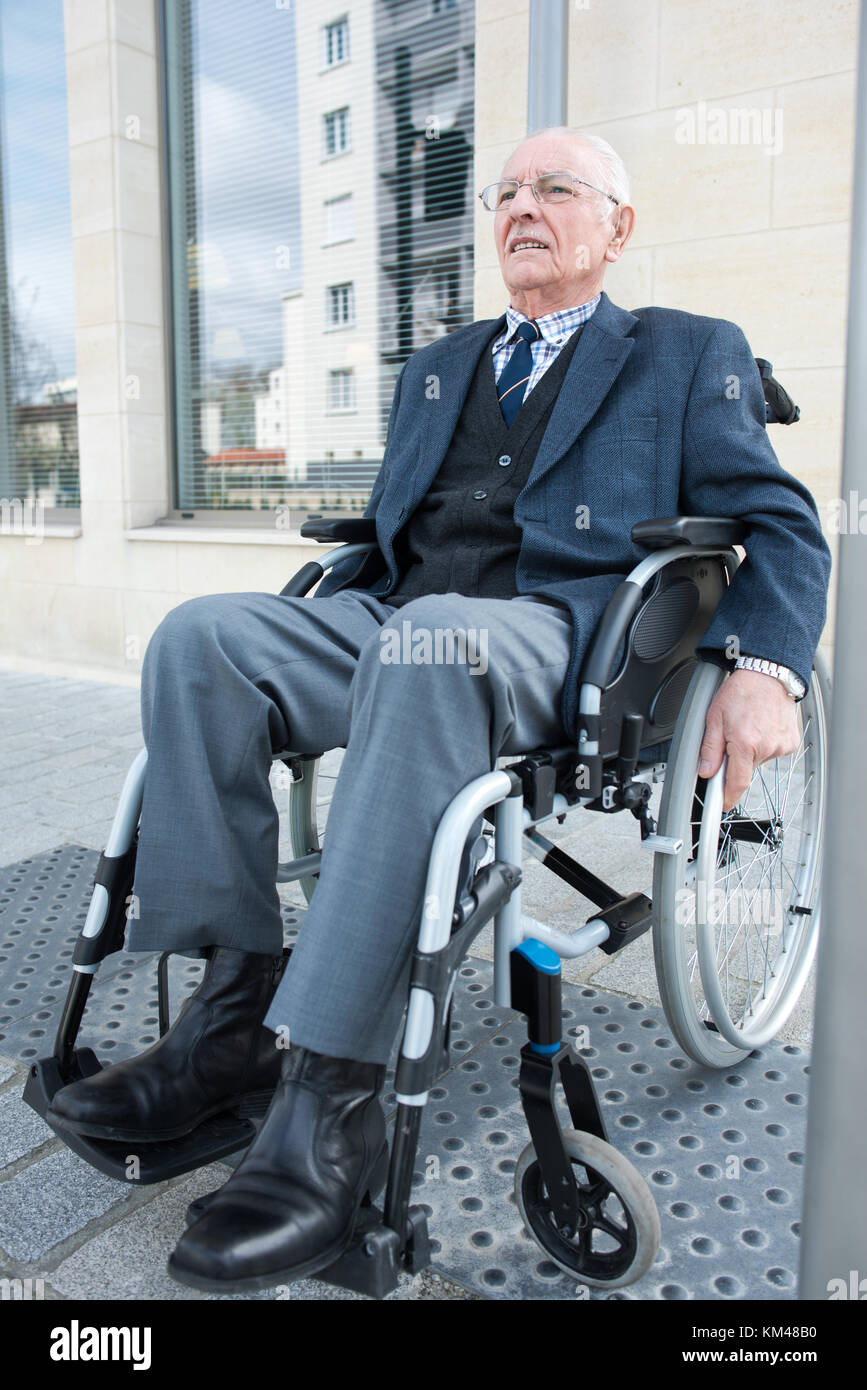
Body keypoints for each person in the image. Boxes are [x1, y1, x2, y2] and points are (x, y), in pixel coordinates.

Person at [46, 128, 831, 1291]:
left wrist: (765, 667)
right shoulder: (438, 365)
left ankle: (331, 1106)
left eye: (556, 188)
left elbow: (782, 521)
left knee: (426, 639)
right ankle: (231, 1021)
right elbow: (392, 536)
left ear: (617, 227)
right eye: (504, 191)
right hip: (404, 618)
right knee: (202, 636)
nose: (523, 206)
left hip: (569, 637)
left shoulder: (685, 353)